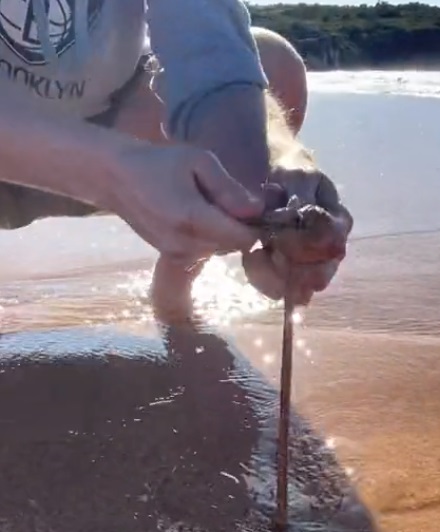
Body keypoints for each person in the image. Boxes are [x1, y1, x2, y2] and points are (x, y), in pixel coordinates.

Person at [0, 0, 353, 320]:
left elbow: (211, 55)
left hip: (112, 119)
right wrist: (108, 172)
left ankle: (175, 286)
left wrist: (276, 166)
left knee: (273, 60)